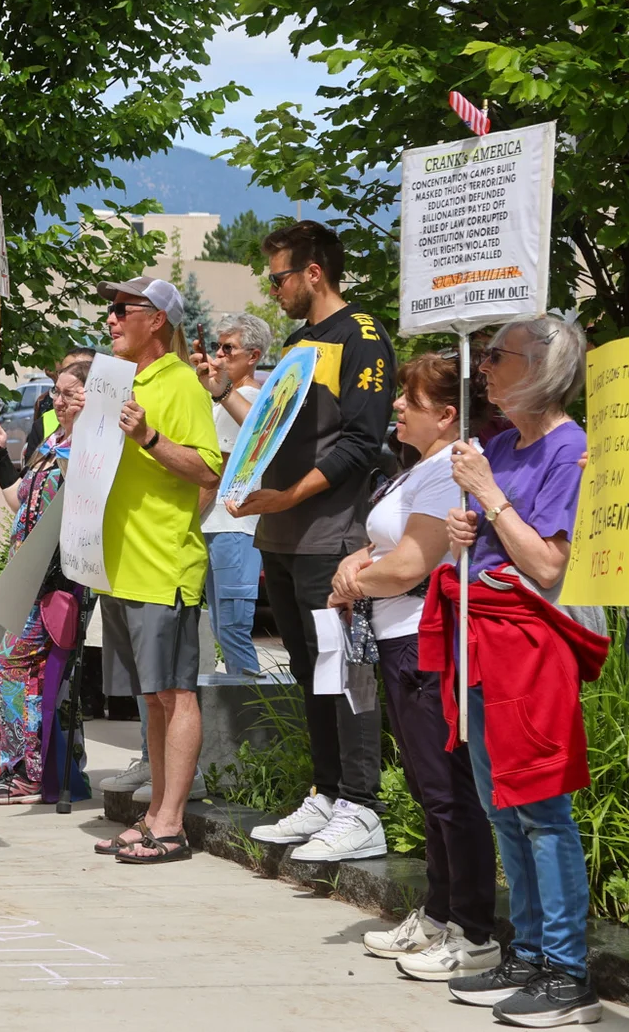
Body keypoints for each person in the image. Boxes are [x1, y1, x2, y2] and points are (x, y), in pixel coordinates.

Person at [426, 314, 606, 1025]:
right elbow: (490, 546)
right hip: (481, 640)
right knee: (502, 807)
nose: (484, 367)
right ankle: (527, 952)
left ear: (541, 368)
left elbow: (547, 564)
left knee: (541, 810)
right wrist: (464, 532)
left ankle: (567, 970)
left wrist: (490, 497)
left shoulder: (570, 448)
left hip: (531, 646)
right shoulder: (499, 444)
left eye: (497, 355)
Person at [223, 221, 396, 859]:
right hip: (283, 535)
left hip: (333, 537)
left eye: (279, 279)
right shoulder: (300, 341)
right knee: (310, 672)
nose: (274, 291)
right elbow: (271, 428)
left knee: (346, 673)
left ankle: (362, 806)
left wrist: (289, 496)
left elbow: (362, 443)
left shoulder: (362, 335)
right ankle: (326, 793)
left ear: (313, 273)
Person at [327, 353, 500, 975]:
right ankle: (438, 912)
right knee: (429, 789)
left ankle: (473, 929)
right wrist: (358, 562)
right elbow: (385, 548)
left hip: (425, 640)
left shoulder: (450, 469)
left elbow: (409, 565)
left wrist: (353, 581)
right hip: (398, 636)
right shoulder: (418, 467)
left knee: (448, 790)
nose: (397, 406)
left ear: (447, 414)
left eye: (412, 400)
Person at [83, 277, 223, 865]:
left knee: (175, 693)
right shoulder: (119, 381)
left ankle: (171, 825)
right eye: (110, 310)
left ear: (157, 319)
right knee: (153, 698)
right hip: (121, 567)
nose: (111, 319)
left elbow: (209, 469)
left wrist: (149, 437)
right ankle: (154, 816)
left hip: (163, 565)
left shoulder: (181, 382)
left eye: (123, 309)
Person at [0, 360, 89, 804]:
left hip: (56, 578)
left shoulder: (91, 450)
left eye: (70, 394)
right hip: (28, 578)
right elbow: (17, 498)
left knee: (12, 663)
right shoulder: (53, 442)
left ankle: (26, 774)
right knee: (27, 669)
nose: (59, 401)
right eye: (56, 392)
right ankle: (33, 771)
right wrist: (1, 457)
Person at [195, 312, 271, 676]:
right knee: (224, 628)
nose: (219, 355)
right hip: (223, 526)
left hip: (231, 526)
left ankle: (251, 704)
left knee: (232, 629)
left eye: (229, 348)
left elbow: (215, 473)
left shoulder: (244, 397)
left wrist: (184, 521)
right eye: (218, 347)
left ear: (253, 356)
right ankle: (245, 701)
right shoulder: (227, 399)